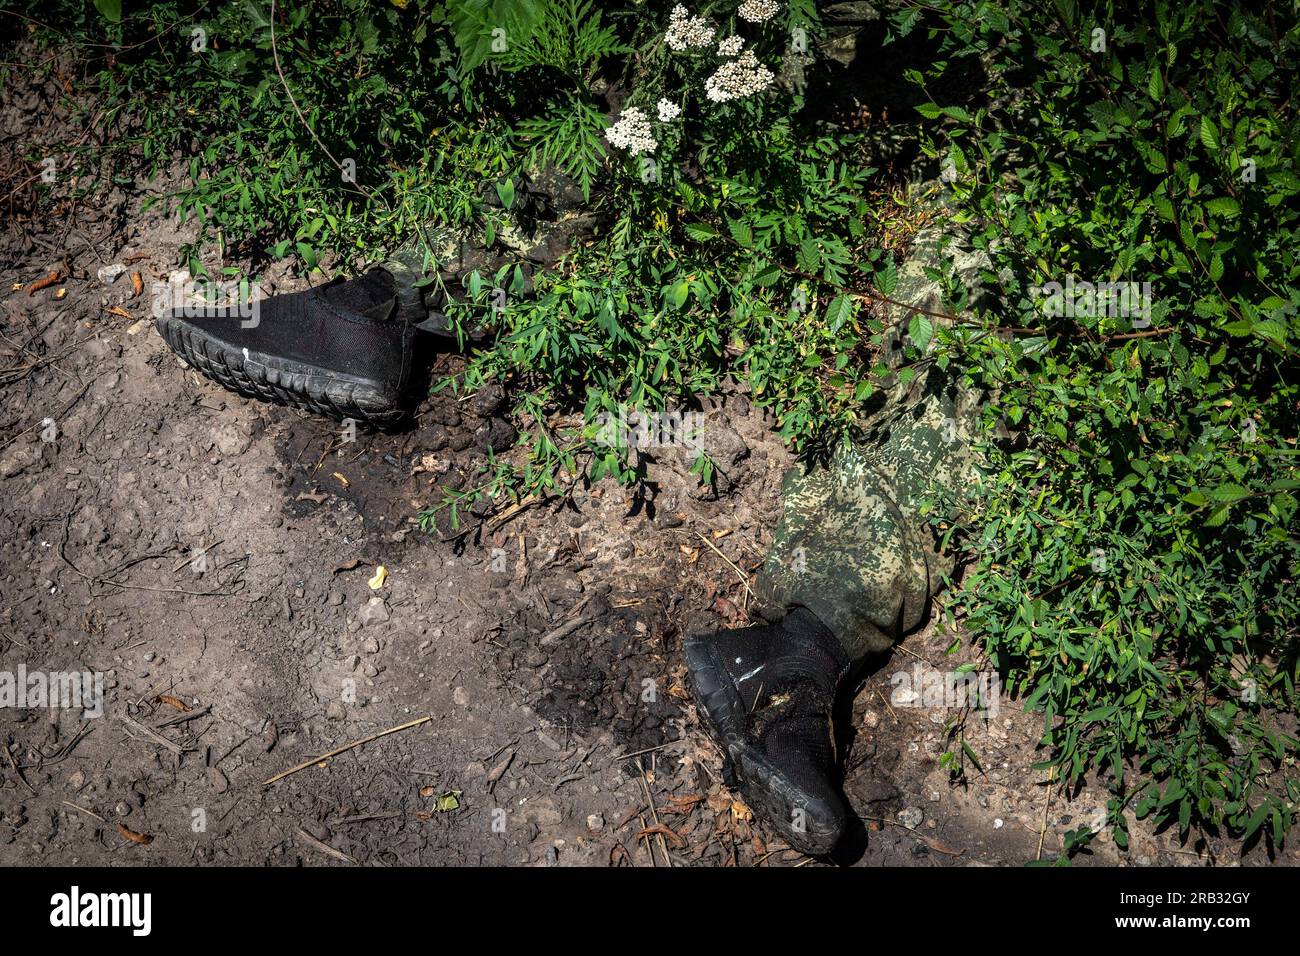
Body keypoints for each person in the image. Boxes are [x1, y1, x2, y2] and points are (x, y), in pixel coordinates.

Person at [154, 182, 988, 857]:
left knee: (972, 295)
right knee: (660, 96)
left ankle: (792, 663)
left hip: (989, 112)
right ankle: (382, 303)